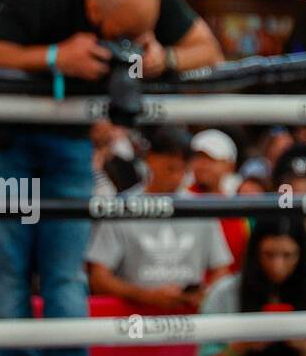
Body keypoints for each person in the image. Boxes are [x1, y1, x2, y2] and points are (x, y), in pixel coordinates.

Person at [0, 0, 223, 356]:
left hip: (69, 137)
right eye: (124, 36)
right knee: (7, 275)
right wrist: (52, 57)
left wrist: (166, 57)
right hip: (1, 137)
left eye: (140, 35)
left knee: (65, 274)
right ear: (94, 11)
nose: (130, 47)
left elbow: (209, 51)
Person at [86, 127, 233, 311]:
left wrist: (205, 295)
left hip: (187, 322)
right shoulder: (122, 208)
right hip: (134, 322)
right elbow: (99, 277)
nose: (176, 177)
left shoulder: (200, 208)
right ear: (151, 159)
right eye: (170, 168)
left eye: (183, 170)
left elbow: (222, 270)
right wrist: (145, 296)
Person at [198, 217, 306, 356]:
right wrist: (242, 345)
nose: (277, 267)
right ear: (255, 253)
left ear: (301, 255)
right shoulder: (224, 294)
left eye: (287, 255)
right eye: (269, 254)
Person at [188, 129, 249, 271]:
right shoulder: (179, 199)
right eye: (198, 158)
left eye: (211, 159)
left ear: (230, 165)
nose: (203, 165)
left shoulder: (239, 206)